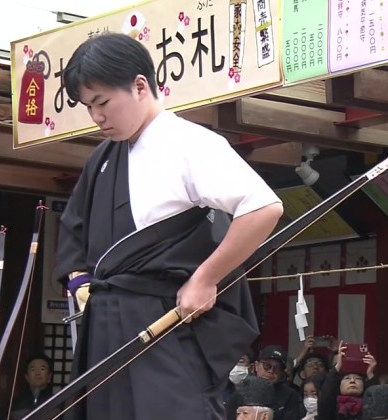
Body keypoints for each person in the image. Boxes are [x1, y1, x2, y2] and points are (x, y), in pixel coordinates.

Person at [53, 32, 284, 420]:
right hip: (107, 319)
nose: (96, 117)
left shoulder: (188, 142)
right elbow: (74, 227)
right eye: (88, 107)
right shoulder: (103, 158)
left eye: (103, 102)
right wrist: (78, 278)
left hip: (167, 320)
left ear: (140, 85)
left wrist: (206, 278)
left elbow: (262, 208)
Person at [10, 354, 54, 420]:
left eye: (42, 369)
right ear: (26, 377)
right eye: (33, 369)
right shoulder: (14, 403)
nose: (37, 373)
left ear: (49, 376)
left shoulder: (56, 401)